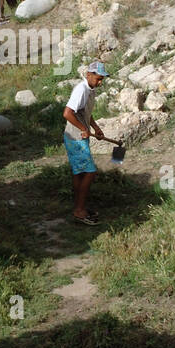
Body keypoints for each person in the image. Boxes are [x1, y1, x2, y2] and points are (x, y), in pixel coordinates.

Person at [63, 60, 108, 225]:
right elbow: (67, 113)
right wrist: (83, 128)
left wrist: (95, 127)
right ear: (88, 75)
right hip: (75, 138)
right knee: (90, 172)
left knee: (80, 173)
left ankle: (79, 207)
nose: (100, 82)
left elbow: (85, 112)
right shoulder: (81, 90)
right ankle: (79, 211)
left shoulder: (91, 89)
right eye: (98, 78)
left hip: (80, 135)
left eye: (102, 79)